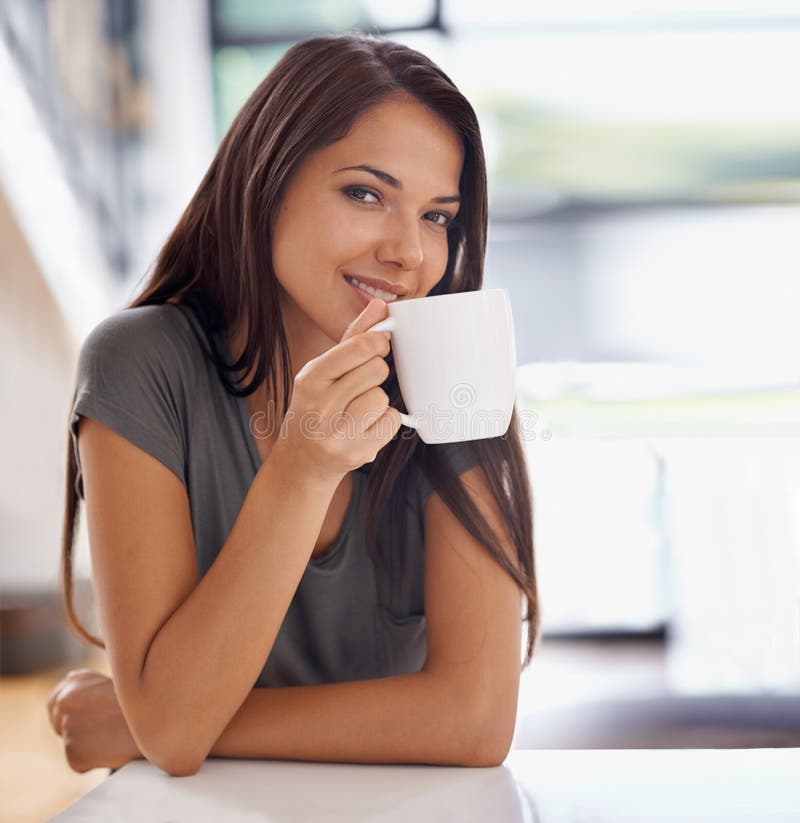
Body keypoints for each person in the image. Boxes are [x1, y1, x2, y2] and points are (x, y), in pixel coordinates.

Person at [46, 32, 538, 776]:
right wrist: (302, 469)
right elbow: (175, 731)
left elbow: (474, 721)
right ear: (266, 180)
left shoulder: (449, 366)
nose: (409, 253)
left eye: (437, 215)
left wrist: (145, 719)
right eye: (366, 194)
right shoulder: (142, 364)